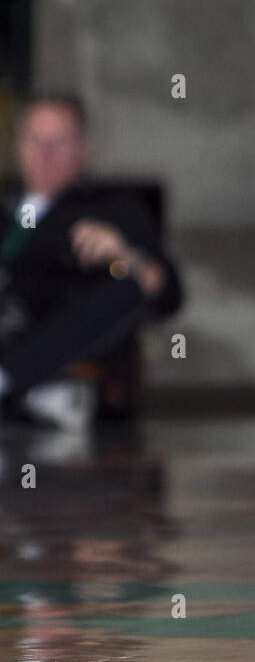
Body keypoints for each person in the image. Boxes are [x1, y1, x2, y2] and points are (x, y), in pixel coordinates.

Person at [0, 93, 182, 429]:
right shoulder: (7, 208)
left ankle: (13, 382)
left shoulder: (112, 207)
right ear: (18, 145)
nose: (45, 155)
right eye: (35, 141)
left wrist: (124, 254)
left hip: (59, 329)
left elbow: (168, 292)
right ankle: (25, 394)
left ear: (83, 149)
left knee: (129, 285)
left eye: (60, 143)